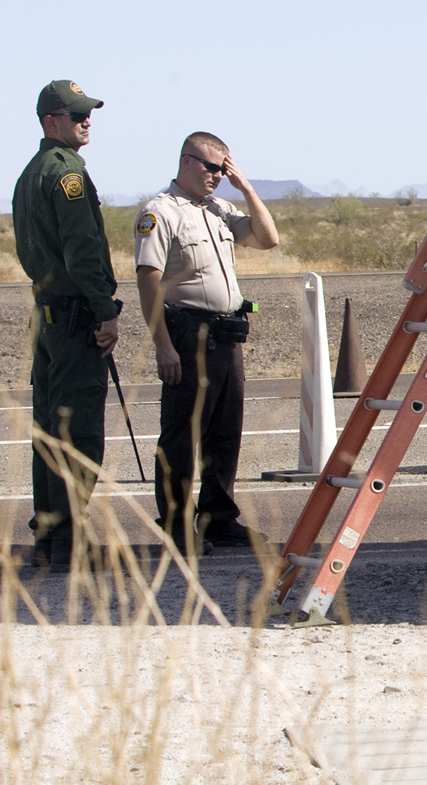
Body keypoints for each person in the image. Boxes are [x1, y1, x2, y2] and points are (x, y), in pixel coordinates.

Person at [134, 132, 278, 552]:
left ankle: (218, 519)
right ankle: (179, 527)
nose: (218, 175)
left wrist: (246, 187)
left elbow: (268, 239)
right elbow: (148, 279)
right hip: (186, 335)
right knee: (181, 437)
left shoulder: (220, 209)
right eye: (211, 167)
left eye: (224, 168)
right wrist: (162, 345)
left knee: (224, 434)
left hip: (227, 334)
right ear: (186, 162)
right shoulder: (160, 212)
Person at [13, 80, 122, 569]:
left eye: (87, 113)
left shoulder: (30, 173)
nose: (87, 121)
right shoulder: (67, 173)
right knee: (78, 434)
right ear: (50, 120)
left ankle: (51, 536)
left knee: (49, 432)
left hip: (49, 316)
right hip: (76, 320)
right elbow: (82, 250)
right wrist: (104, 310)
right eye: (77, 114)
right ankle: (71, 543)